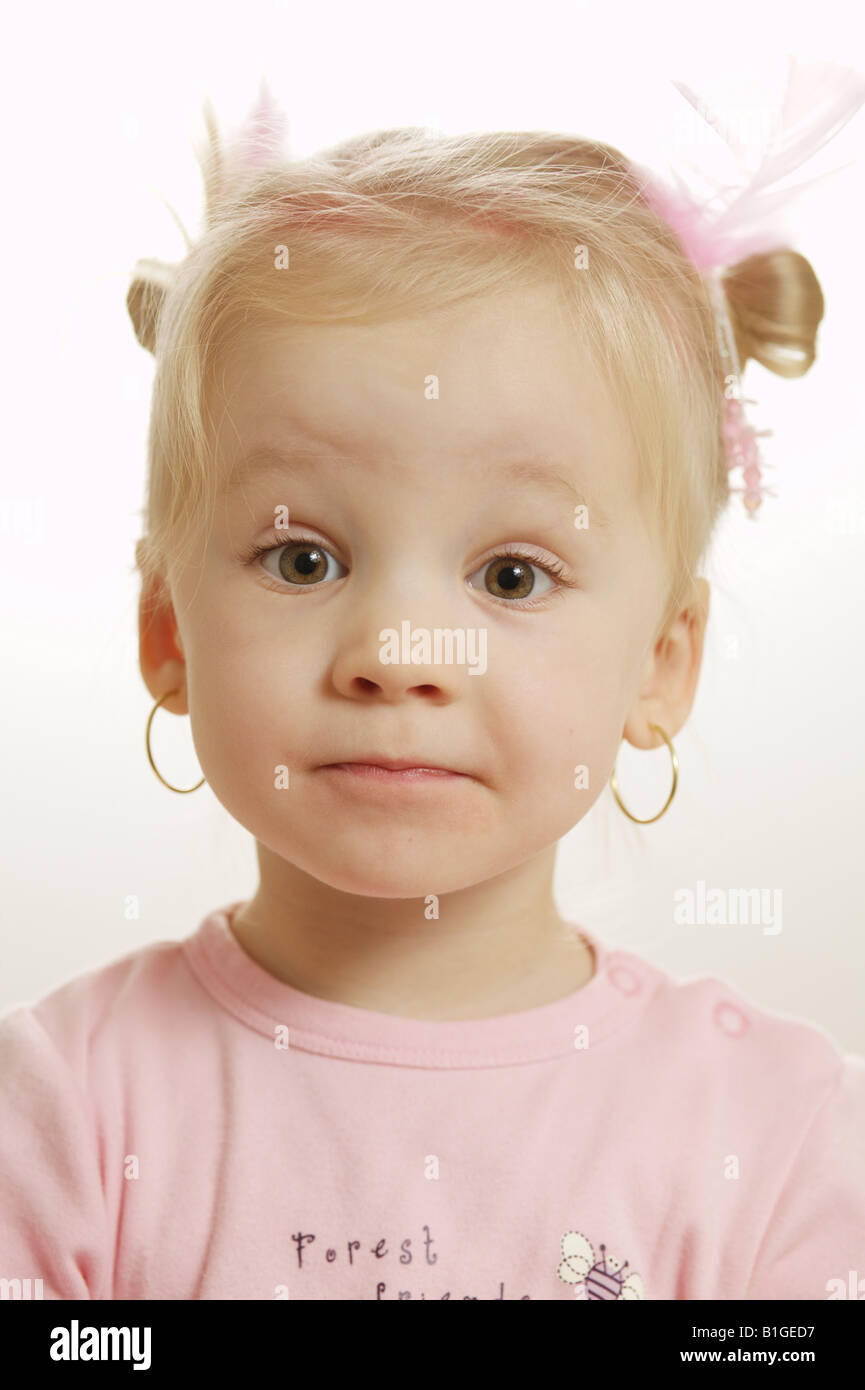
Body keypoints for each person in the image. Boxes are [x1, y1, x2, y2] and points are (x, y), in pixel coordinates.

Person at [1, 71, 863, 1301]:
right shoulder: (63, 1117)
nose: (402, 651)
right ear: (165, 628)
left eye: (511, 576)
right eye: (303, 558)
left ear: (662, 662)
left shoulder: (781, 1144)